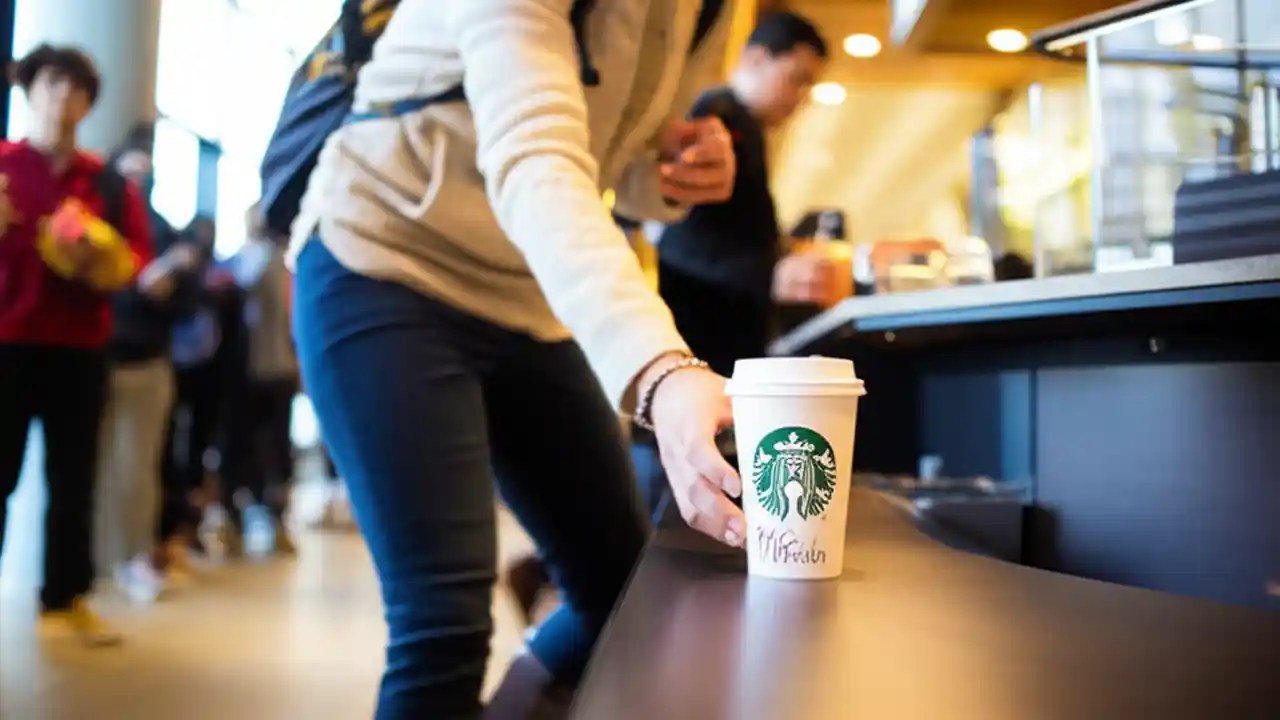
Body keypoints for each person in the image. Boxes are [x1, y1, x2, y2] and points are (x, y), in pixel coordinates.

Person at [289, 3, 743, 717]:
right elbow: (536, 157)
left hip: (525, 291)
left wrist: (673, 168)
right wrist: (662, 370)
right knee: (442, 622)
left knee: (627, 596)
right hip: (386, 260)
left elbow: (611, 154)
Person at [634, 12, 829, 516]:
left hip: (712, 348)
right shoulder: (720, 118)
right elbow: (683, 241)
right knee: (672, 517)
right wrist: (773, 273)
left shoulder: (744, 129)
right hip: (696, 347)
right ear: (757, 58)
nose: (801, 96)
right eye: (798, 78)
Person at [0, 44, 152, 646]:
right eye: (52, 84)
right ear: (30, 90)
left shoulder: (108, 184)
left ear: (89, 103)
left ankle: (64, 600)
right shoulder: (5, 166)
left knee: (75, 478)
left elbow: (136, 260)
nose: (63, 98)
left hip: (81, 349)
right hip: (7, 342)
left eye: (76, 89)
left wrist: (99, 256)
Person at [95, 128, 201, 602]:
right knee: (90, 466)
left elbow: (187, 307)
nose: (138, 181)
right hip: (95, 358)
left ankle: (135, 557)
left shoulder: (166, 235)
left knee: (140, 467)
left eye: (146, 172)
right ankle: (90, 560)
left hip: (148, 361)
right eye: (130, 171)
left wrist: (170, 281)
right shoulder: (95, 223)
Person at [220, 204, 299, 556]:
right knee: (245, 446)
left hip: (276, 369)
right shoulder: (246, 261)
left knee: (274, 448)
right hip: (246, 372)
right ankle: (238, 516)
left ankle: (274, 518)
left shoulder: (276, 262)